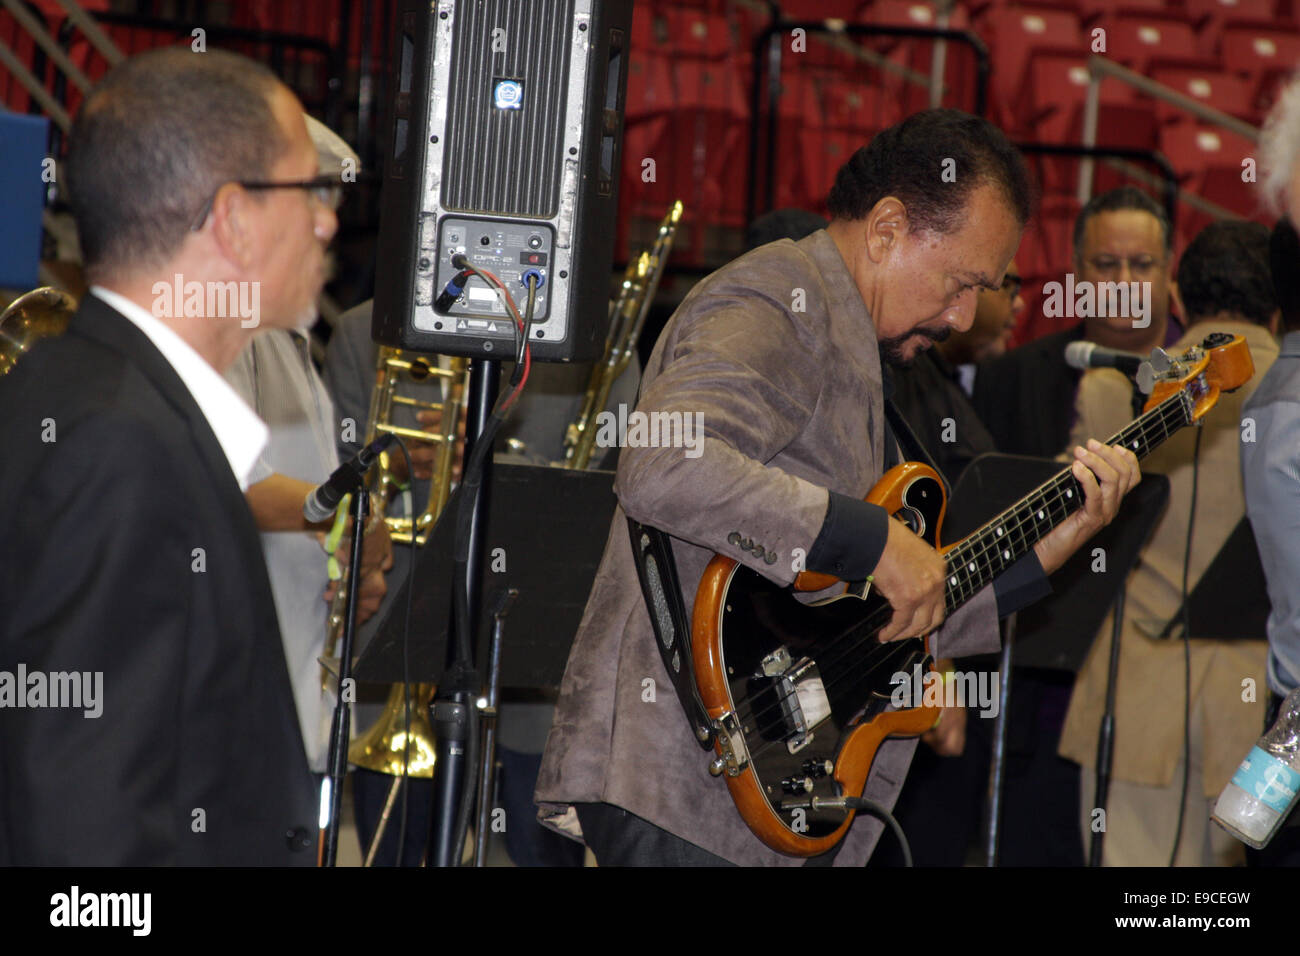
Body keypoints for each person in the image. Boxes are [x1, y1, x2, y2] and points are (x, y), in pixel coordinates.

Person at [535, 109, 1141, 866]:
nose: (961, 317)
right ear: (887, 228)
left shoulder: (864, 355)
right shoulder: (774, 298)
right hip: (683, 786)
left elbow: (878, 624)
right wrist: (876, 538)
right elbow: (665, 463)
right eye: (961, 283)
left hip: (755, 796)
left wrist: (1046, 552)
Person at [0, 47, 334, 863]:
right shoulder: (121, 447)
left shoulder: (86, 394)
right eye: (310, 190)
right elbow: (82, 844)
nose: (329, 221)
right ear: (234, 222)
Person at [968, 185, 1183, 866]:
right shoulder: (1015, 376)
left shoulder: (1198, 386)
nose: (1123, 284)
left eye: (1142, 265)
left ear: (1169, 270)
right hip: (1028, 689)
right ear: (1075, 270)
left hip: (1152, 694)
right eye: (1105, 265)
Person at [1058, 219, 1279, 866]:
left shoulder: (1113, 388)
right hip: (1252, 705)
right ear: (1275, 303)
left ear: (1178, 296)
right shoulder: (1291, 392)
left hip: (1133, 700)